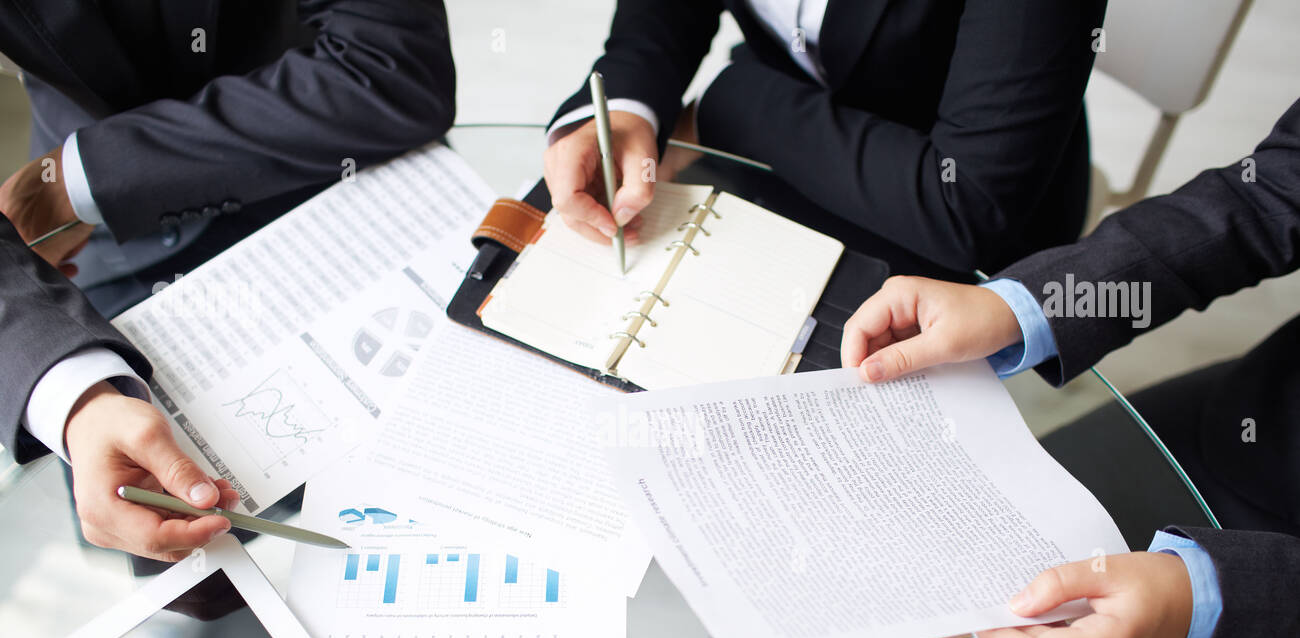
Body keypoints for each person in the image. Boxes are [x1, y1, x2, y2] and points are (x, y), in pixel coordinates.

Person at [841, 97, 1300, 638]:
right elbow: (1273, 191)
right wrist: (1027, 302)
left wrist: (1209, 602)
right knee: (905, 618)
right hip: (1265, 424)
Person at [0, 0, 455, 562]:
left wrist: (89, 177)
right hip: (89, 250)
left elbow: (389, 68)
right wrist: (76, 397)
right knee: (172, 559)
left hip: (330, 171)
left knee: (443, 495)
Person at [542, 0, 1106, 275]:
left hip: (941, 212)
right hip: (776, 134)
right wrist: (626, 104)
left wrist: (729, 103)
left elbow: (972, 207)